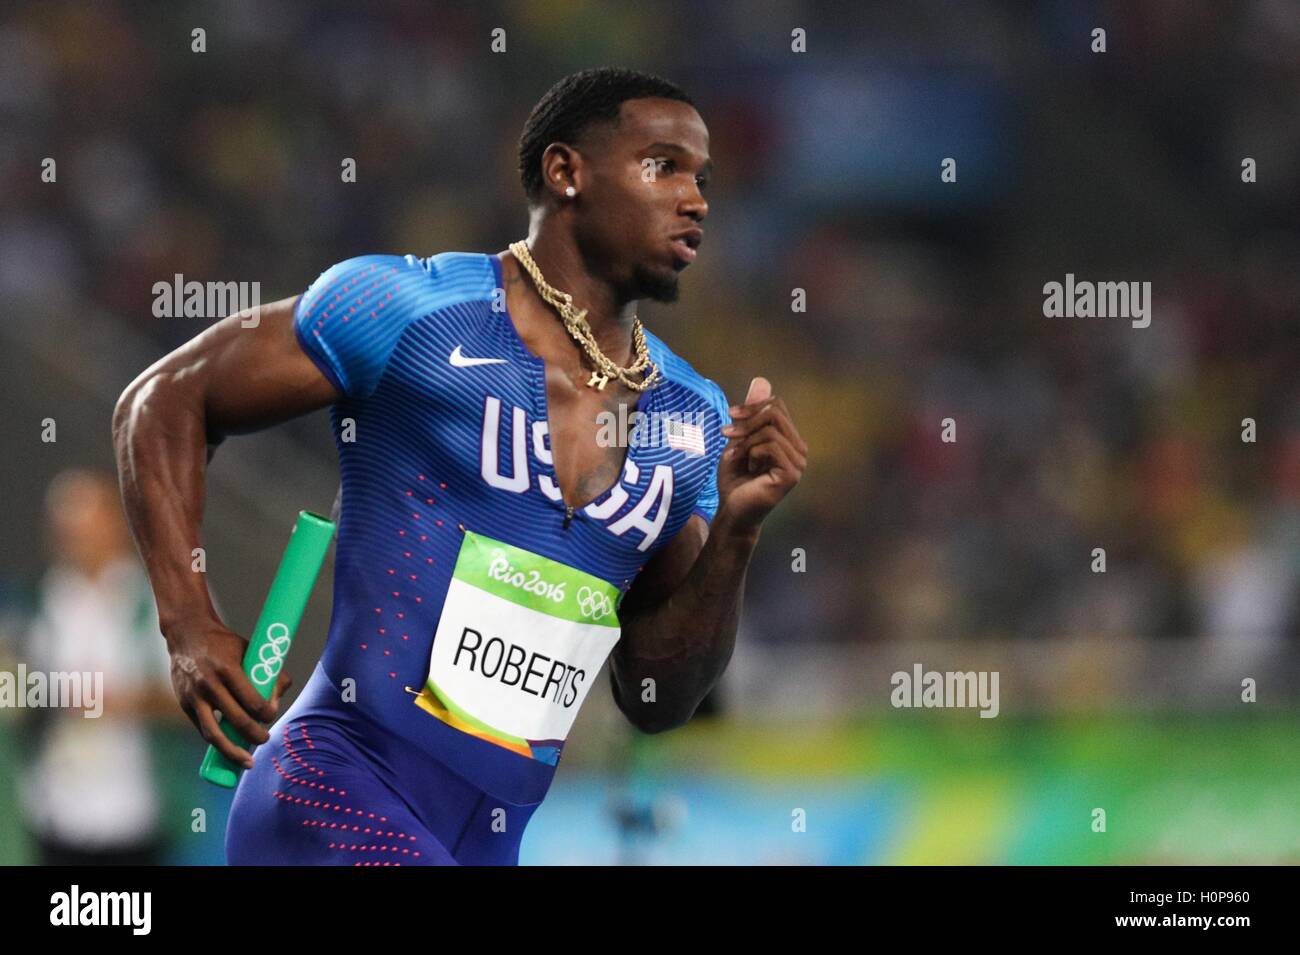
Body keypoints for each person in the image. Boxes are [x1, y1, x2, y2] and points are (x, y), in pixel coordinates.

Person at [113, 67, 807, 865]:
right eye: (664, 166)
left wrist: (738, 532)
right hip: (330, 789)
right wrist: (189, 625)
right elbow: (162, 401)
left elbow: (656, 696)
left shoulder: (691, 418)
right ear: (566, 171)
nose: (695, 199)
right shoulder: (408, 310)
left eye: (703, 179)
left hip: (482, 841)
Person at [22, 468, 178, 866]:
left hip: (138, 813)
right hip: (56, 811)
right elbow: (22, 696)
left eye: (86, 526)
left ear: (117, 524)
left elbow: (205, 699)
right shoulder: (42, 600)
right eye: (66, 529)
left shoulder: (164, 599)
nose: (76, 539)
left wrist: (124, 701)